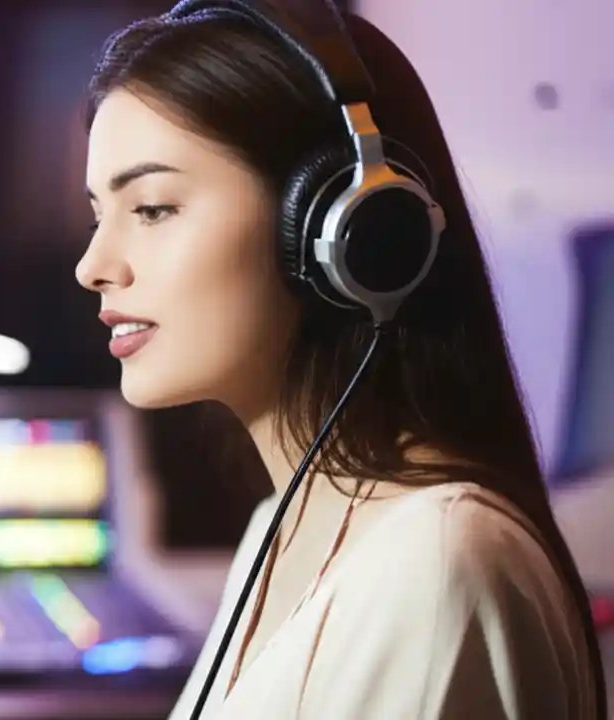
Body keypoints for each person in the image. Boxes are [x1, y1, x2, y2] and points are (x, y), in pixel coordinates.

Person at [74, 3, 606, 719]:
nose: (93, 265)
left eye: (153, 208)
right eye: (96, 215)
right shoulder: (280, 526)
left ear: (346, 226)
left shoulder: (439, 558)